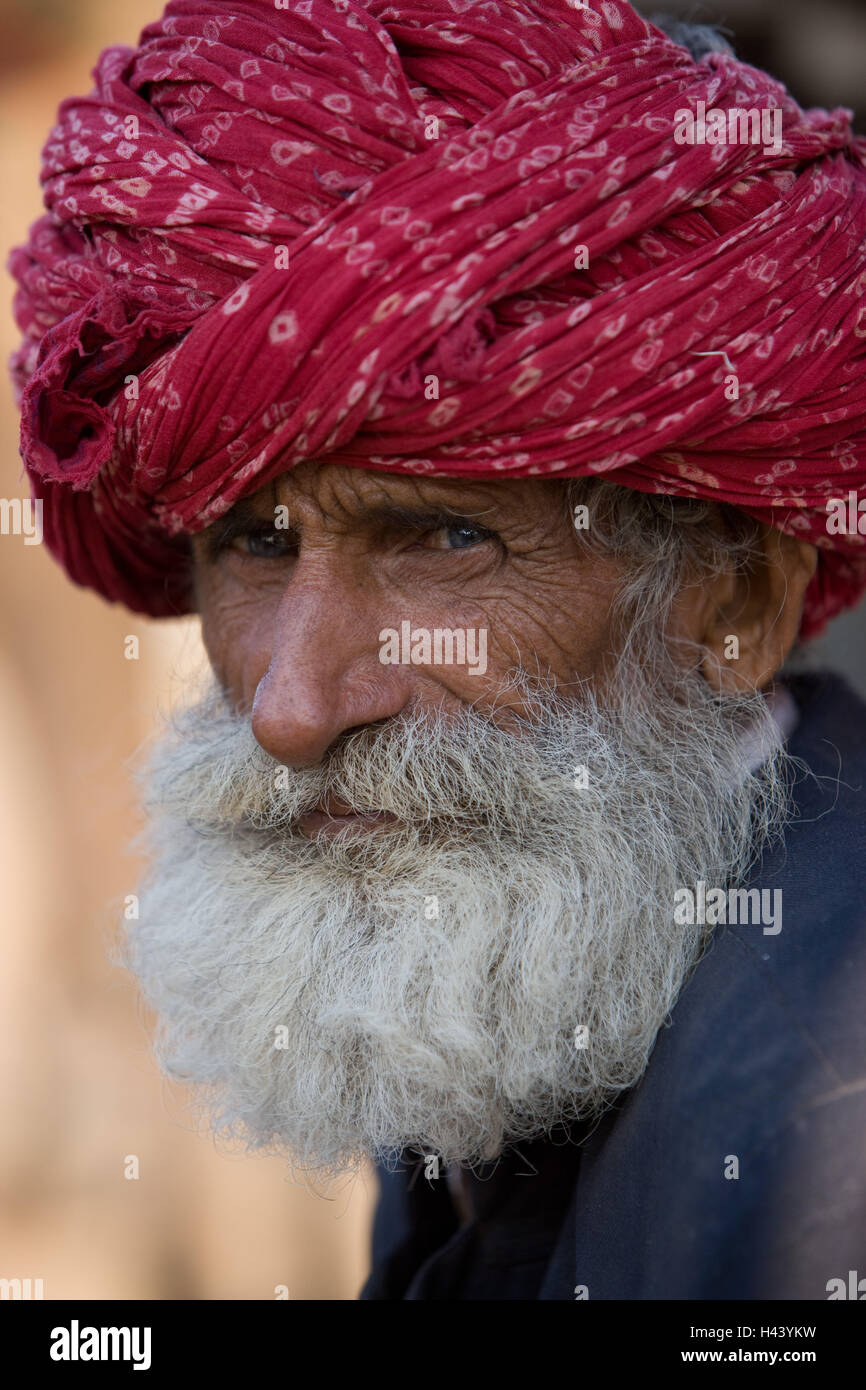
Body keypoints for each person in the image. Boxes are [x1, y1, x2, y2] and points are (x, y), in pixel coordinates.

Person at [9, 0, 866, 1299]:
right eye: (254, 542)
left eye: (444, 538)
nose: (293, 708)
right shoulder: (531, 994)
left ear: (734, 598)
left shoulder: (816, 1164)